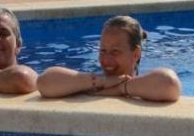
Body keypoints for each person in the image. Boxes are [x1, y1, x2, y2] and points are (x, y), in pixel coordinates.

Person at [36, 14, 181, 103]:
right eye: (103, 51)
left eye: (115, 52)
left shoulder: (150, 85)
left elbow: (169, 83)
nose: (106, 60)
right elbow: (44, 82)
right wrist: (101, 81)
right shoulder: (90, 82)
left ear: (136, 54)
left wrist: (120, 89)